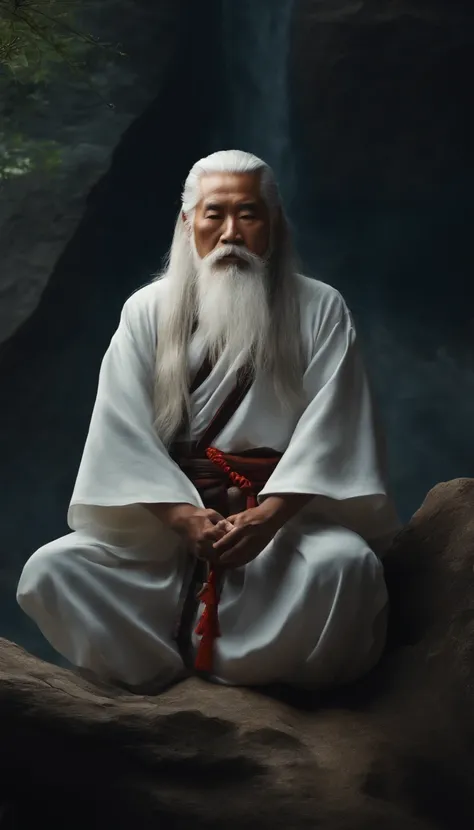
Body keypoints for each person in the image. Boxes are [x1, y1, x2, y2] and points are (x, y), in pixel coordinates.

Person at [17, 149, 400, 694]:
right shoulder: (146, 310)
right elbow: (120, 432)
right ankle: (159, 676)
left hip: (276, 524)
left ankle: (265, 687)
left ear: (274, 223)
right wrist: (182, 518)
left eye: (248, 214)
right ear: (187, 223)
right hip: (169, 530)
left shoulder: (321, 309)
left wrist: (268, 518)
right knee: (53, 571)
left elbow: (336, 429)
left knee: (346, 568)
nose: (230, 233)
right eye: (214, 214)